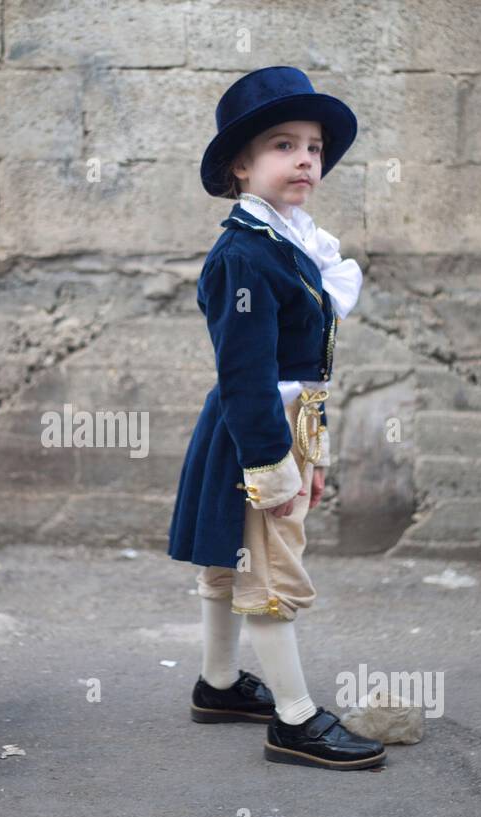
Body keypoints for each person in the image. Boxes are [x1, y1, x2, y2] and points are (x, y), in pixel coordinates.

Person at [167, 66, 386, 770]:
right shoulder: (243, 255)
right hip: (254, 427)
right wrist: (273, 464)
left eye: (315, 148)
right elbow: (247, 372)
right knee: (269, 570)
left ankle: (221, 684)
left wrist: (310, 454)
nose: (305, 160)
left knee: (235, 563)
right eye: (283, 145)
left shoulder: (291, 240)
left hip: (284, 422)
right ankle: (293, 719)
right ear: (241, 165)